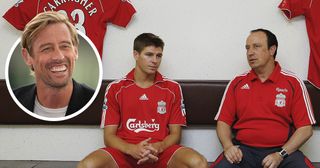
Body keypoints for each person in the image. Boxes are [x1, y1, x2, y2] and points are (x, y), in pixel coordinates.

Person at [78, 33, 208, 168]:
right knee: (86, 165)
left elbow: (176, 134)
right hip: (125, 152)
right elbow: (109, 137)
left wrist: (159, 146)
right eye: (149, 55)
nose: (155, 61)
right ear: (136, 55)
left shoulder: (172, 88)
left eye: (159, 56)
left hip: (160, 152)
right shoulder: (115, 89)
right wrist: (131, 149)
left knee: (199, 163)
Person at [212, 29, 316, 168]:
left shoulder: (293, 82)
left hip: (283, 152)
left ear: (272, 50)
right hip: (243, 152)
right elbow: (223, 122)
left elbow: (305, 129)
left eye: (256, 46)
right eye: (247, 48)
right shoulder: (237, 83)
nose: (250, 52)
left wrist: (280, 155)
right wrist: (228, 146)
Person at [14, 11, 94, 118]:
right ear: (27, 56)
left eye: (65, 46)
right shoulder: (10, 102)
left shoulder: (98, 102)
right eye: (46, 48)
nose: (59, 56)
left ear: (75, 51)